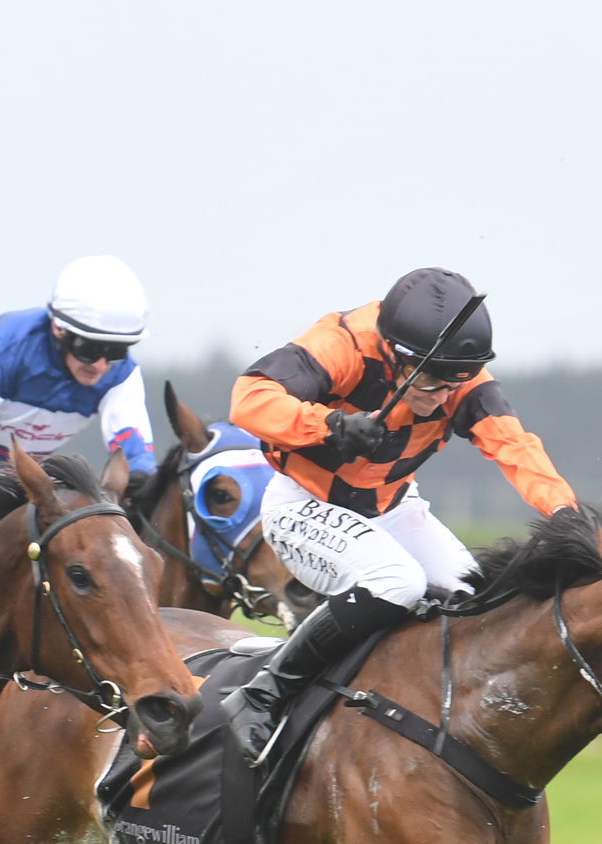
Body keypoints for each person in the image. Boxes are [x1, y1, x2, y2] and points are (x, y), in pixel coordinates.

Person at [219, 267, 578, 761]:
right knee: (399, 582)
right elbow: (249, 399)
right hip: (302, 505)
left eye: (454, 381)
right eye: (429, 379)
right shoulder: (341, 345)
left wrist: (564, 511)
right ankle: (264, 693)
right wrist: (330, 425)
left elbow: (513, 445)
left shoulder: (458, 375)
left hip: (392, 505)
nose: (441, 395)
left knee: (477, 601)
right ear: (394, 354)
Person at [0, 257, 158, 502]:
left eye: (115, 351)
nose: (100, 365)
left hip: (11, 477)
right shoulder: (2, 350)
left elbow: (138, 463)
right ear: (58, 330)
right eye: (89, 349)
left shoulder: (121, 374)